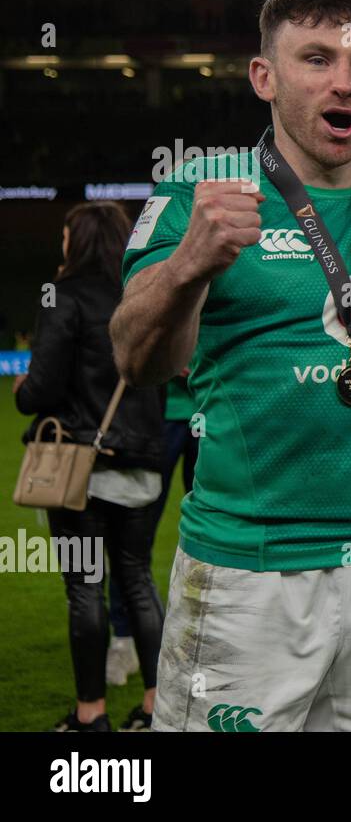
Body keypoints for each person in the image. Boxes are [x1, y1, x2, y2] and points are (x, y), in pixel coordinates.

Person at [111, 0, 351, 731]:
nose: (343, 83)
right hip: (247, 575)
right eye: (317, 59)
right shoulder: (199, 192)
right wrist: (187, 264)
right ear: (264, 75)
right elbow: (136, 357)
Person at [14, 202, 167, 731]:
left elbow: (42, 389)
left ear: (75, 242)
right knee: (137, 580)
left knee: (85, 587)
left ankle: (90, 715)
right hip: (145, 461)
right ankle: (155, 709)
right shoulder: (142, 292)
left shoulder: (62, 294)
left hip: (80, 465)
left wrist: (23, 392)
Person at [105, 371, 199, 687]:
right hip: (154, 416)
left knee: (213, 538)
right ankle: (123, 637)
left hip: (214, 412)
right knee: (131, 538)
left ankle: (200, 638)